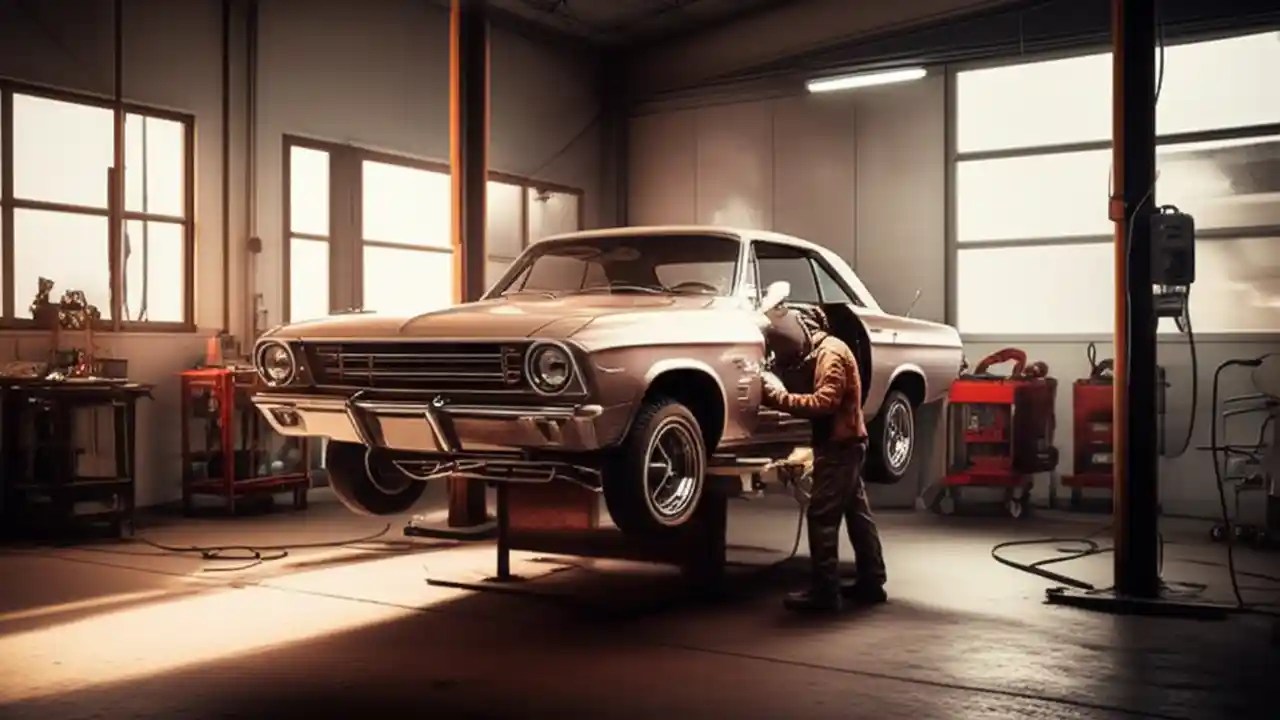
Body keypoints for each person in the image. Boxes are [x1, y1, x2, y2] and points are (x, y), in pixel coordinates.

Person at [761, 305, 887, 613]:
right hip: (846, 444)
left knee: (822, 518)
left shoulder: (830, 353)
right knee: (858, 516)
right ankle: (872, 582)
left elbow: (824, 403)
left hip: (840, 447)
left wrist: (776, 397)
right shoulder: (823, 351)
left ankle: (825, 593)